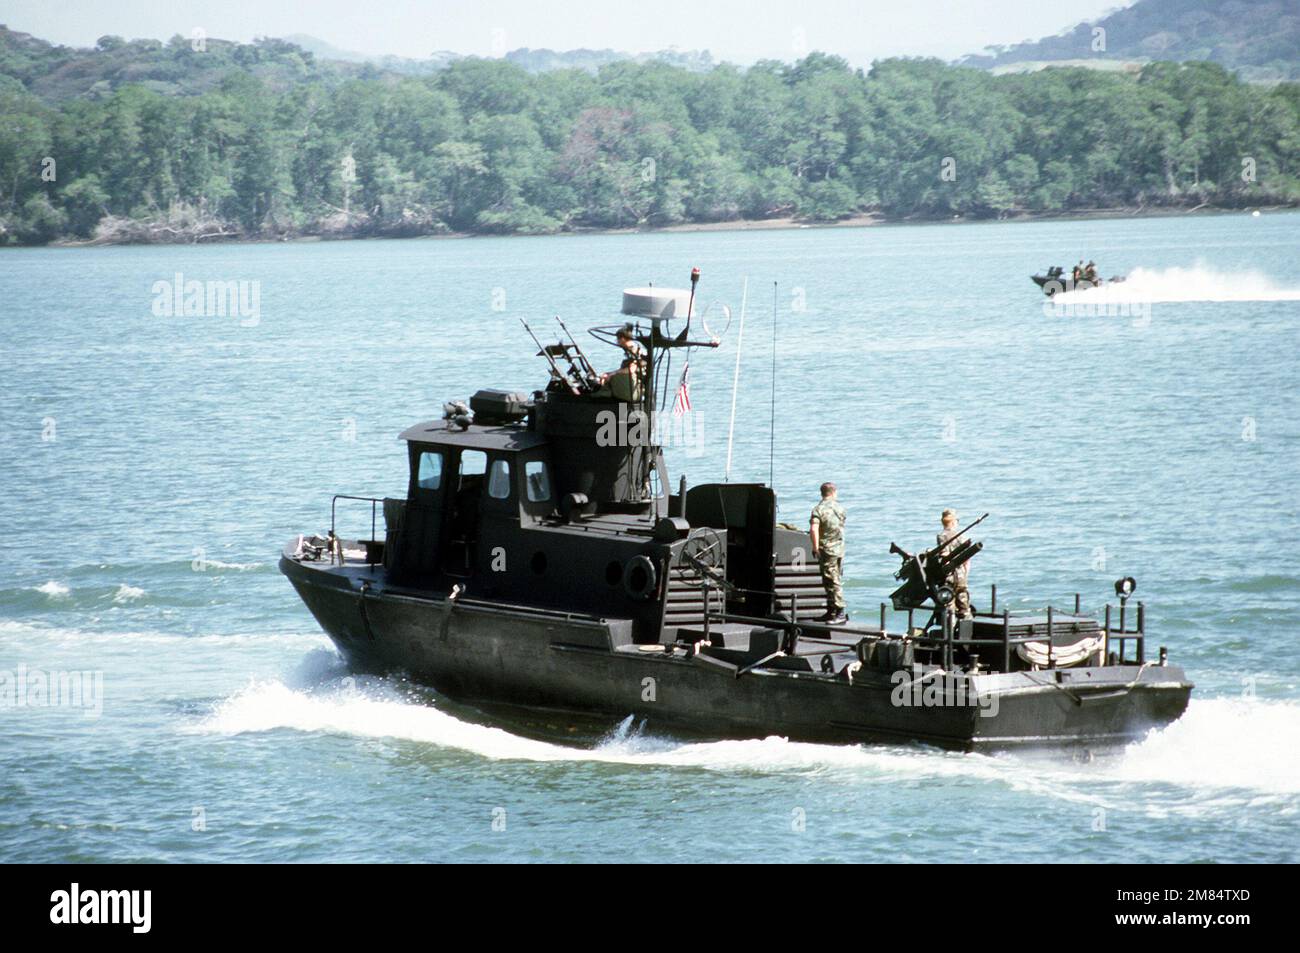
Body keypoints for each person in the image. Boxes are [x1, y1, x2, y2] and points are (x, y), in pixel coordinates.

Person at [810, 482, 848, 625]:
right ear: (834, 492)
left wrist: (815, 547)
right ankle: (831, 610)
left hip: (827, 549)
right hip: (839, 549)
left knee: (831, 580)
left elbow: (814, 529)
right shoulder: (840, 509)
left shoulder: (818, 510)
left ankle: (840, 612)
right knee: (833, 578)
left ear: (822, 493)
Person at [936, 508, 972, 620]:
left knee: (949, 607)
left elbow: (944, 556)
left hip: (949, 575)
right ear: (953, 521)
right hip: (961, 574)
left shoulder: (941, 536)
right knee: (963, 603)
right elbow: (967, 560)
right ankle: (967, 627)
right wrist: (965, 574)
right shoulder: (961, 536)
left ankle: (949, 632)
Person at [597, 325, 644, 401]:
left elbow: (631, 369)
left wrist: (612, 375)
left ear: (622, 339)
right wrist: (608, 374)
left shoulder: (634, 351)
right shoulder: (635, 348)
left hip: (632, 391)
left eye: (618, 339)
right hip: (637, 390)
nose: (617, 342)